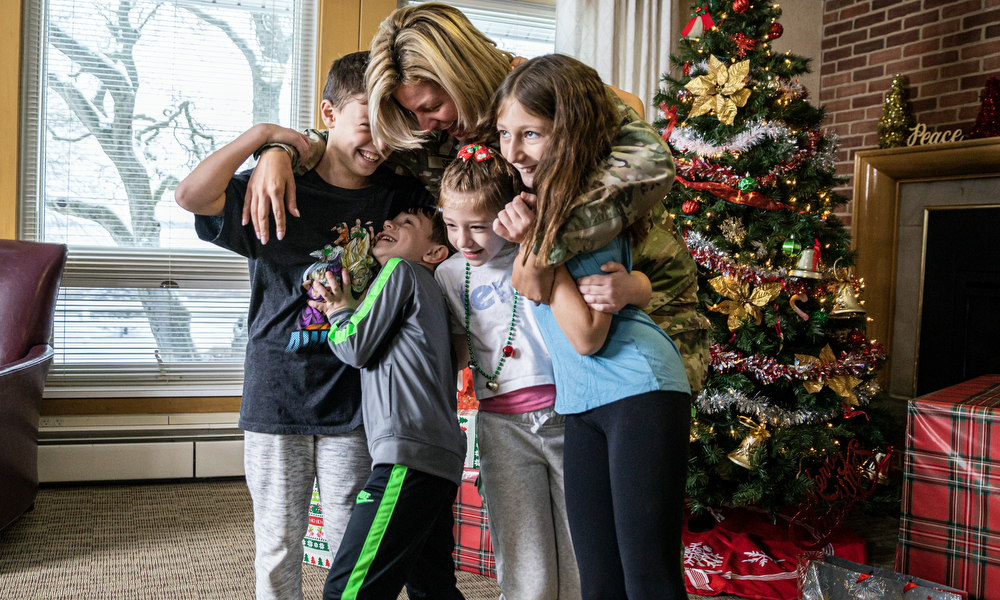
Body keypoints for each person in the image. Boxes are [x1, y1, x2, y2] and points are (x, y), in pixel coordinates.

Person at [240, 4, 713, 395]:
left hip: (631, 292)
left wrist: (543, 246)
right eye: (412, 111)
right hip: (535, 327)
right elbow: (350, 144)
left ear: (461, 72)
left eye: (432, 105)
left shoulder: (540, 88)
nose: (426, 123)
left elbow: (650, 163)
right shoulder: (427, 132)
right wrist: (280, 149)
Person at [173, 52, 433, 600]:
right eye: (367, 126)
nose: (379, 145)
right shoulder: (279, 182)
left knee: (351, 545)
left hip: (358, 398)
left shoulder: (398, 194)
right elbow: (191, 196)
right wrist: (267, 137)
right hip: (278, 397)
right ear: (328, 113)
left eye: (390, 130)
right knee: (278, 544)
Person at [492, 54, 692, 600]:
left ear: (571, 131)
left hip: (638, 388)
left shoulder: (592, 209)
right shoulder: (545, 205)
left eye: (531, 134)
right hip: (581, 403)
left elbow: (585, 334)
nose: (513, 152)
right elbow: (525, 278)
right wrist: (533, 245)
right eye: (505, 134)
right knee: (599, 581)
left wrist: (537, 246)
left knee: (648, 577)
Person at [435, 144, 580, 600]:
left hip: (566, 413)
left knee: (579, 544)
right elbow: (459, 347)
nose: (465, 239)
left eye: (478, 226)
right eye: (452, 226)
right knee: (522, 550)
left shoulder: (538, 251)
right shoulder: (448, 274)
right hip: (500, 424)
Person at [307, 206, 465, 600]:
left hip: (406, 456)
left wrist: (340, 311)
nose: (389, 224)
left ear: (434, 253)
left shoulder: (401, 271)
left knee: (348, 590)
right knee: (433, 587)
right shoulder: (436, 298)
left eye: (407, 223)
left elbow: (354, 345)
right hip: (439, 460)